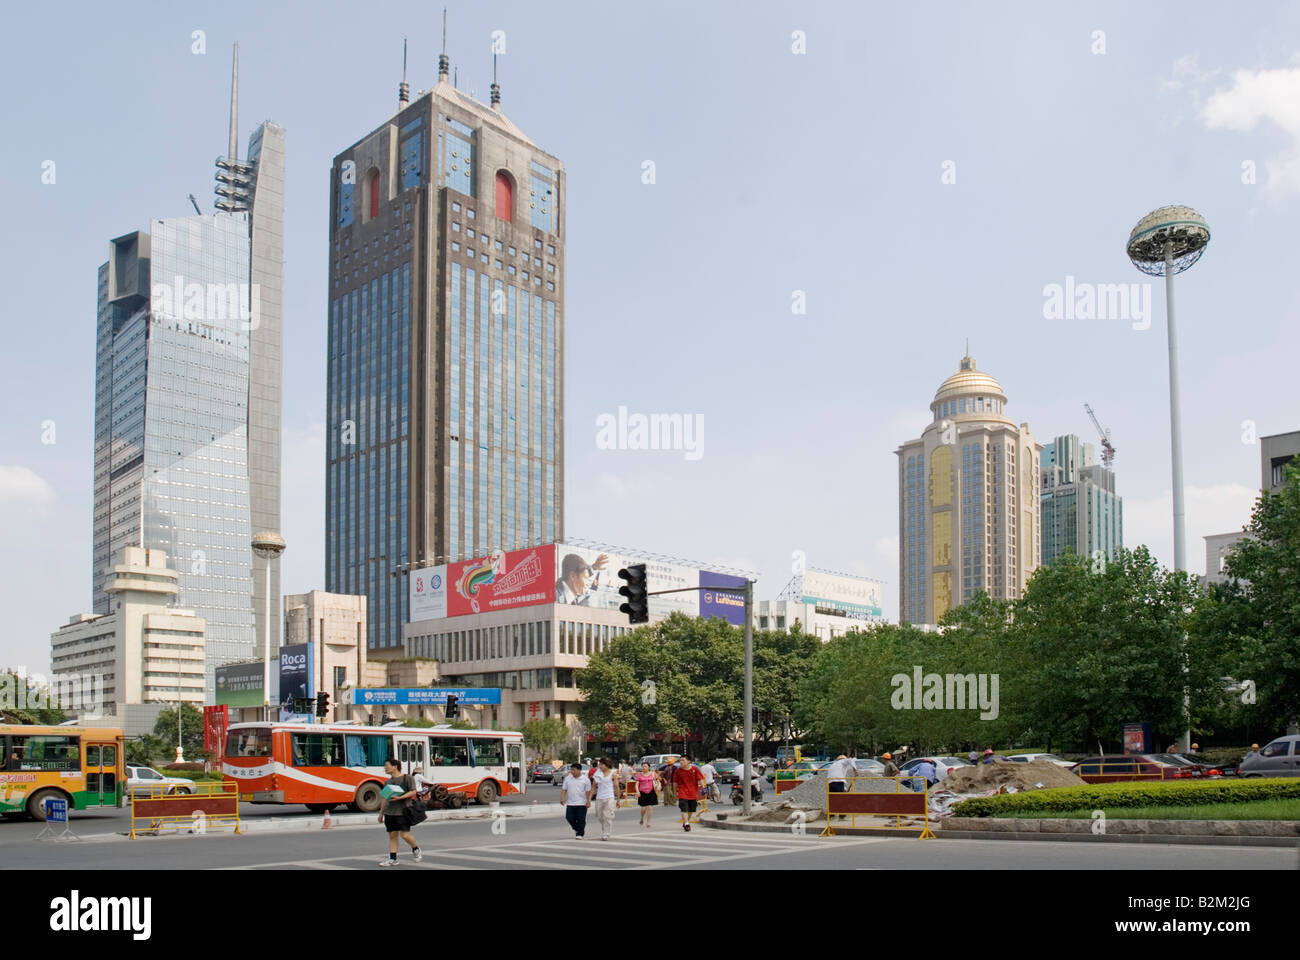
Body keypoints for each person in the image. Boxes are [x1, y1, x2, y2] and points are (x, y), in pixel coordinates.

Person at [378, 757, 422, 866]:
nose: (385, 768)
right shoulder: (387, 782)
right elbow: (384, 798)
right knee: (392, 835)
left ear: (395, 767)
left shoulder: (407, 778)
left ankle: (416, 849)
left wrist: (400, 798)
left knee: (404, 835)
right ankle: (393, 858)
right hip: (390, 812)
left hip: (403, 811)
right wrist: (381, 813)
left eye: (387, 766)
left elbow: (413, 792)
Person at [672, 756, 706, 832]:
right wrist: (674, 793)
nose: (681, 762)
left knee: (691, 810)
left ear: (688, 761)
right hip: (682, 793)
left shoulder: (695, 770)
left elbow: (701, 779)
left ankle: (685, 822)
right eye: (680, 760)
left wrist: (703, 788)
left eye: (683, 760)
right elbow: (675, 783)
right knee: (684, 809)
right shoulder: (678, 771)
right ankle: (687, 824)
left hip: (693, 793)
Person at [589, 758, 619, 840]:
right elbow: (593, 787)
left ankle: (606, 833)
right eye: (599, 764)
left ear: (607, 765)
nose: (600, 766)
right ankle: (604, 830)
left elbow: (616, 786)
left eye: (602, 764)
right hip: (599, 797)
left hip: (609, 797)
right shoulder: (598, 774)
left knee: (607, 816)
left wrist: (618, 799)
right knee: (600, 816)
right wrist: (589, 799)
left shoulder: (613, 774)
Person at [561, 762, 592, 839]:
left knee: (581, 819)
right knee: (569, 817)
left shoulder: (585, 780)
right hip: (570, 802)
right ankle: (577, 829)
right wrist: (562, 798)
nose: (572, 771)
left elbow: (588, 791)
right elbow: (564, 789)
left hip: (582, 803)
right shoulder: (568, 778)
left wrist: (588, 801)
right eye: (571, 770)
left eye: (574, 770)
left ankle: (580, 834)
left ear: (579, 770)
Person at [634, 762, 660, 827]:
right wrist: (637, 792)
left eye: (645, 766)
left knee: (650, 807)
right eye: (643, 766)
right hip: (642, 792)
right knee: (643, 808)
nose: (644, 768)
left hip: (651, 791)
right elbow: (636, 784)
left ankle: (648, 822)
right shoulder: (639, 775)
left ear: (649, 767)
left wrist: (658, 786)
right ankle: (642, 818)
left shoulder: (653, 774)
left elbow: (658, 781)